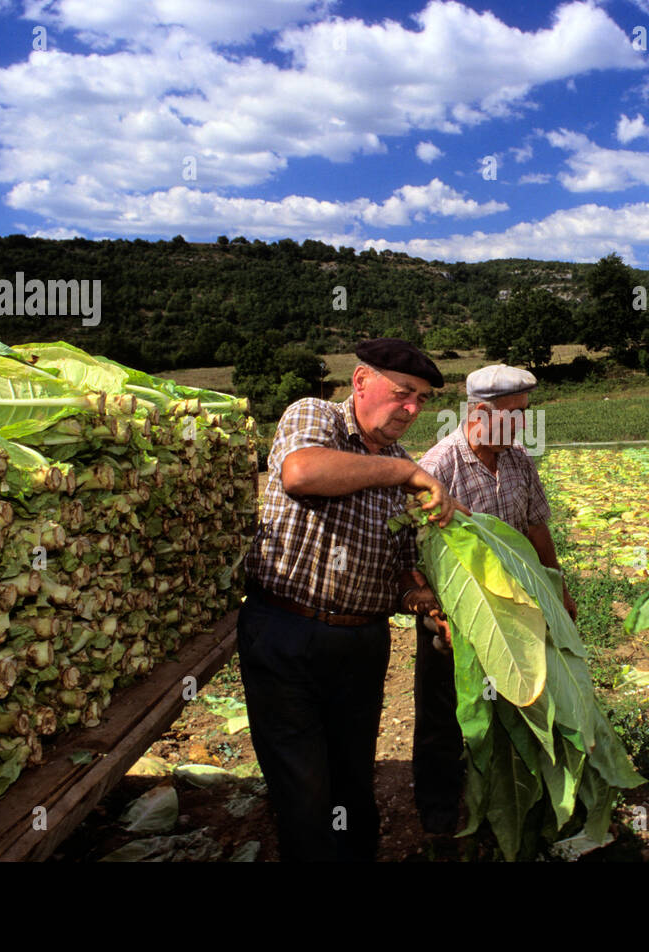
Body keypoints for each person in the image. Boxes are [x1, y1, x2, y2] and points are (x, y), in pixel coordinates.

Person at [238, 338, 465, 862]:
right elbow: (302, 474)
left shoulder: (402, 463)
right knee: (304, 791)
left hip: (362, 642)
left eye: (422, 400)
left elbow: (403, 571)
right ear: (362, 382)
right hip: (285, 632)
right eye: (402, 392)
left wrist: (429, 604)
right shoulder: (315, 416)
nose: (411, 408)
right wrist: (404, 473)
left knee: (352, 780)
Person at [411, 363, 576, 835]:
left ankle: (511, 800)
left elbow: (536, 525)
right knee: (445, 713)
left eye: (526, 414)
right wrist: (438, 612)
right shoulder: (438, 466)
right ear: (481, 413)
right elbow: (414, 549)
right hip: (459, 616)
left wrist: (557, 588)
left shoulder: (519, 460)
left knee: (518, 704)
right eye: (516, 415)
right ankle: (439, 813)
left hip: (518, 613)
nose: (524, 424)